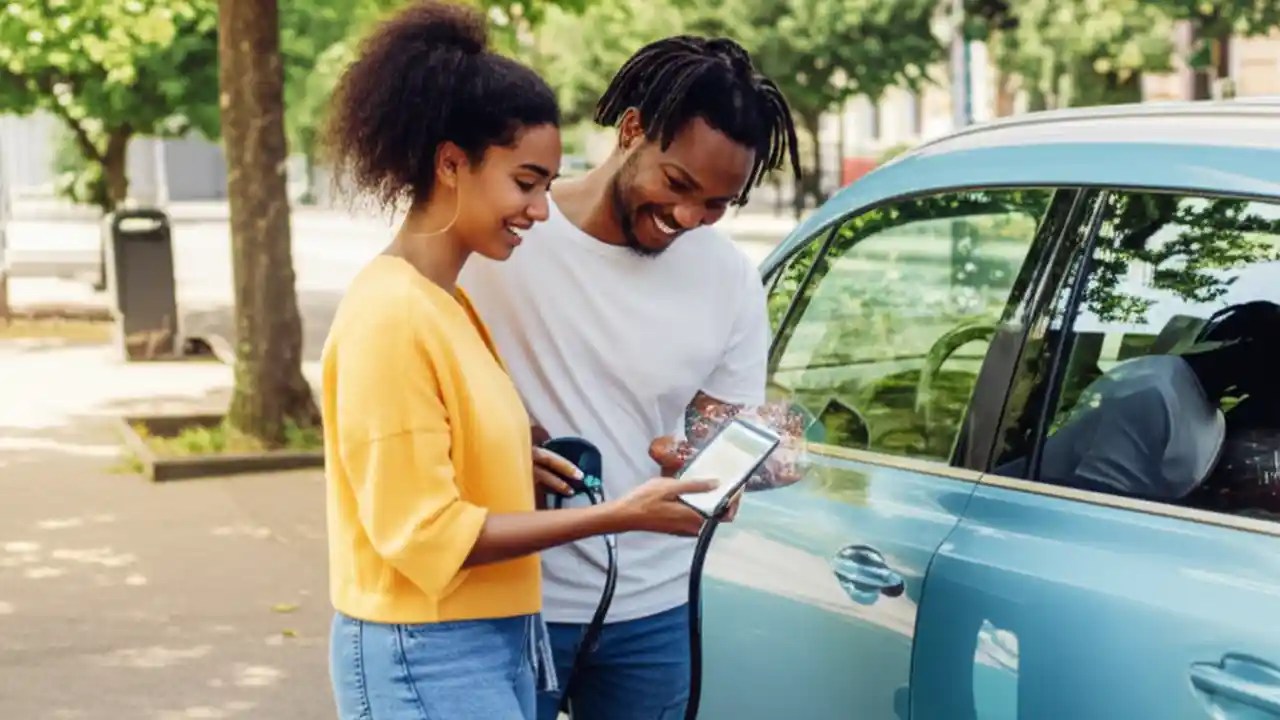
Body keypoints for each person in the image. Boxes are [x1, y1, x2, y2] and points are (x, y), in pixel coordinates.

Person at [319, 6, 717, 719]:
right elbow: (425, 535)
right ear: (450, 164)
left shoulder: (449, 304)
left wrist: (508, 464)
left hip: (483, 642)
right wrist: (618, 515)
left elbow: (442, 466)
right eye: (525, 182)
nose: (540, 210)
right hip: (426, 651)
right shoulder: (390, 313)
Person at [458, 34, 803, 720]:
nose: (687, 218)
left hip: (654, 612)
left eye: (716, 204)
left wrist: (736, 463)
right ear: (633, 129)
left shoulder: (728, 277)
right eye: (677, 185)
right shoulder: (505, 231)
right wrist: (491, 447)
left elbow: (723, 424)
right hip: (508, 600)